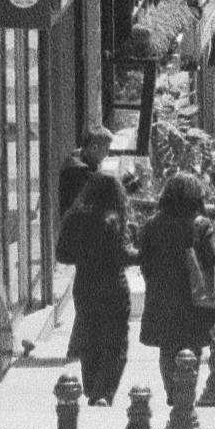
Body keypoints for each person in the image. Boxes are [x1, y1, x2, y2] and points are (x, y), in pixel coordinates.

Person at [60, 169, 136, 404]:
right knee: (115, 341)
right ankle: (104, 392)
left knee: (90, 338)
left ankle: (92, 388)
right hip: (113, 284)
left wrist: (84, 256)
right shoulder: (113, 219)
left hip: (84, 284)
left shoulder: (74, 217)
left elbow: (62, 254)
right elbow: (122, 255)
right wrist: (143, 255)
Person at [137, 172, 215, 371]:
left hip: (161, 295)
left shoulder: (152, 224)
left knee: (167, 347)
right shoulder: (200, 224)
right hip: (192, 296)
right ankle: (186, 395)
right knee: (192, 345)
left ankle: (171, 390)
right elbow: (213, 257)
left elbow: (144, 260)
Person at [58, 124, 114, 221]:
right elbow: (108, 196)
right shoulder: (78, 171)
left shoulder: (83, 160)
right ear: (94, 148)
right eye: (106, 150)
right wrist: (136, 184)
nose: (107, 154)